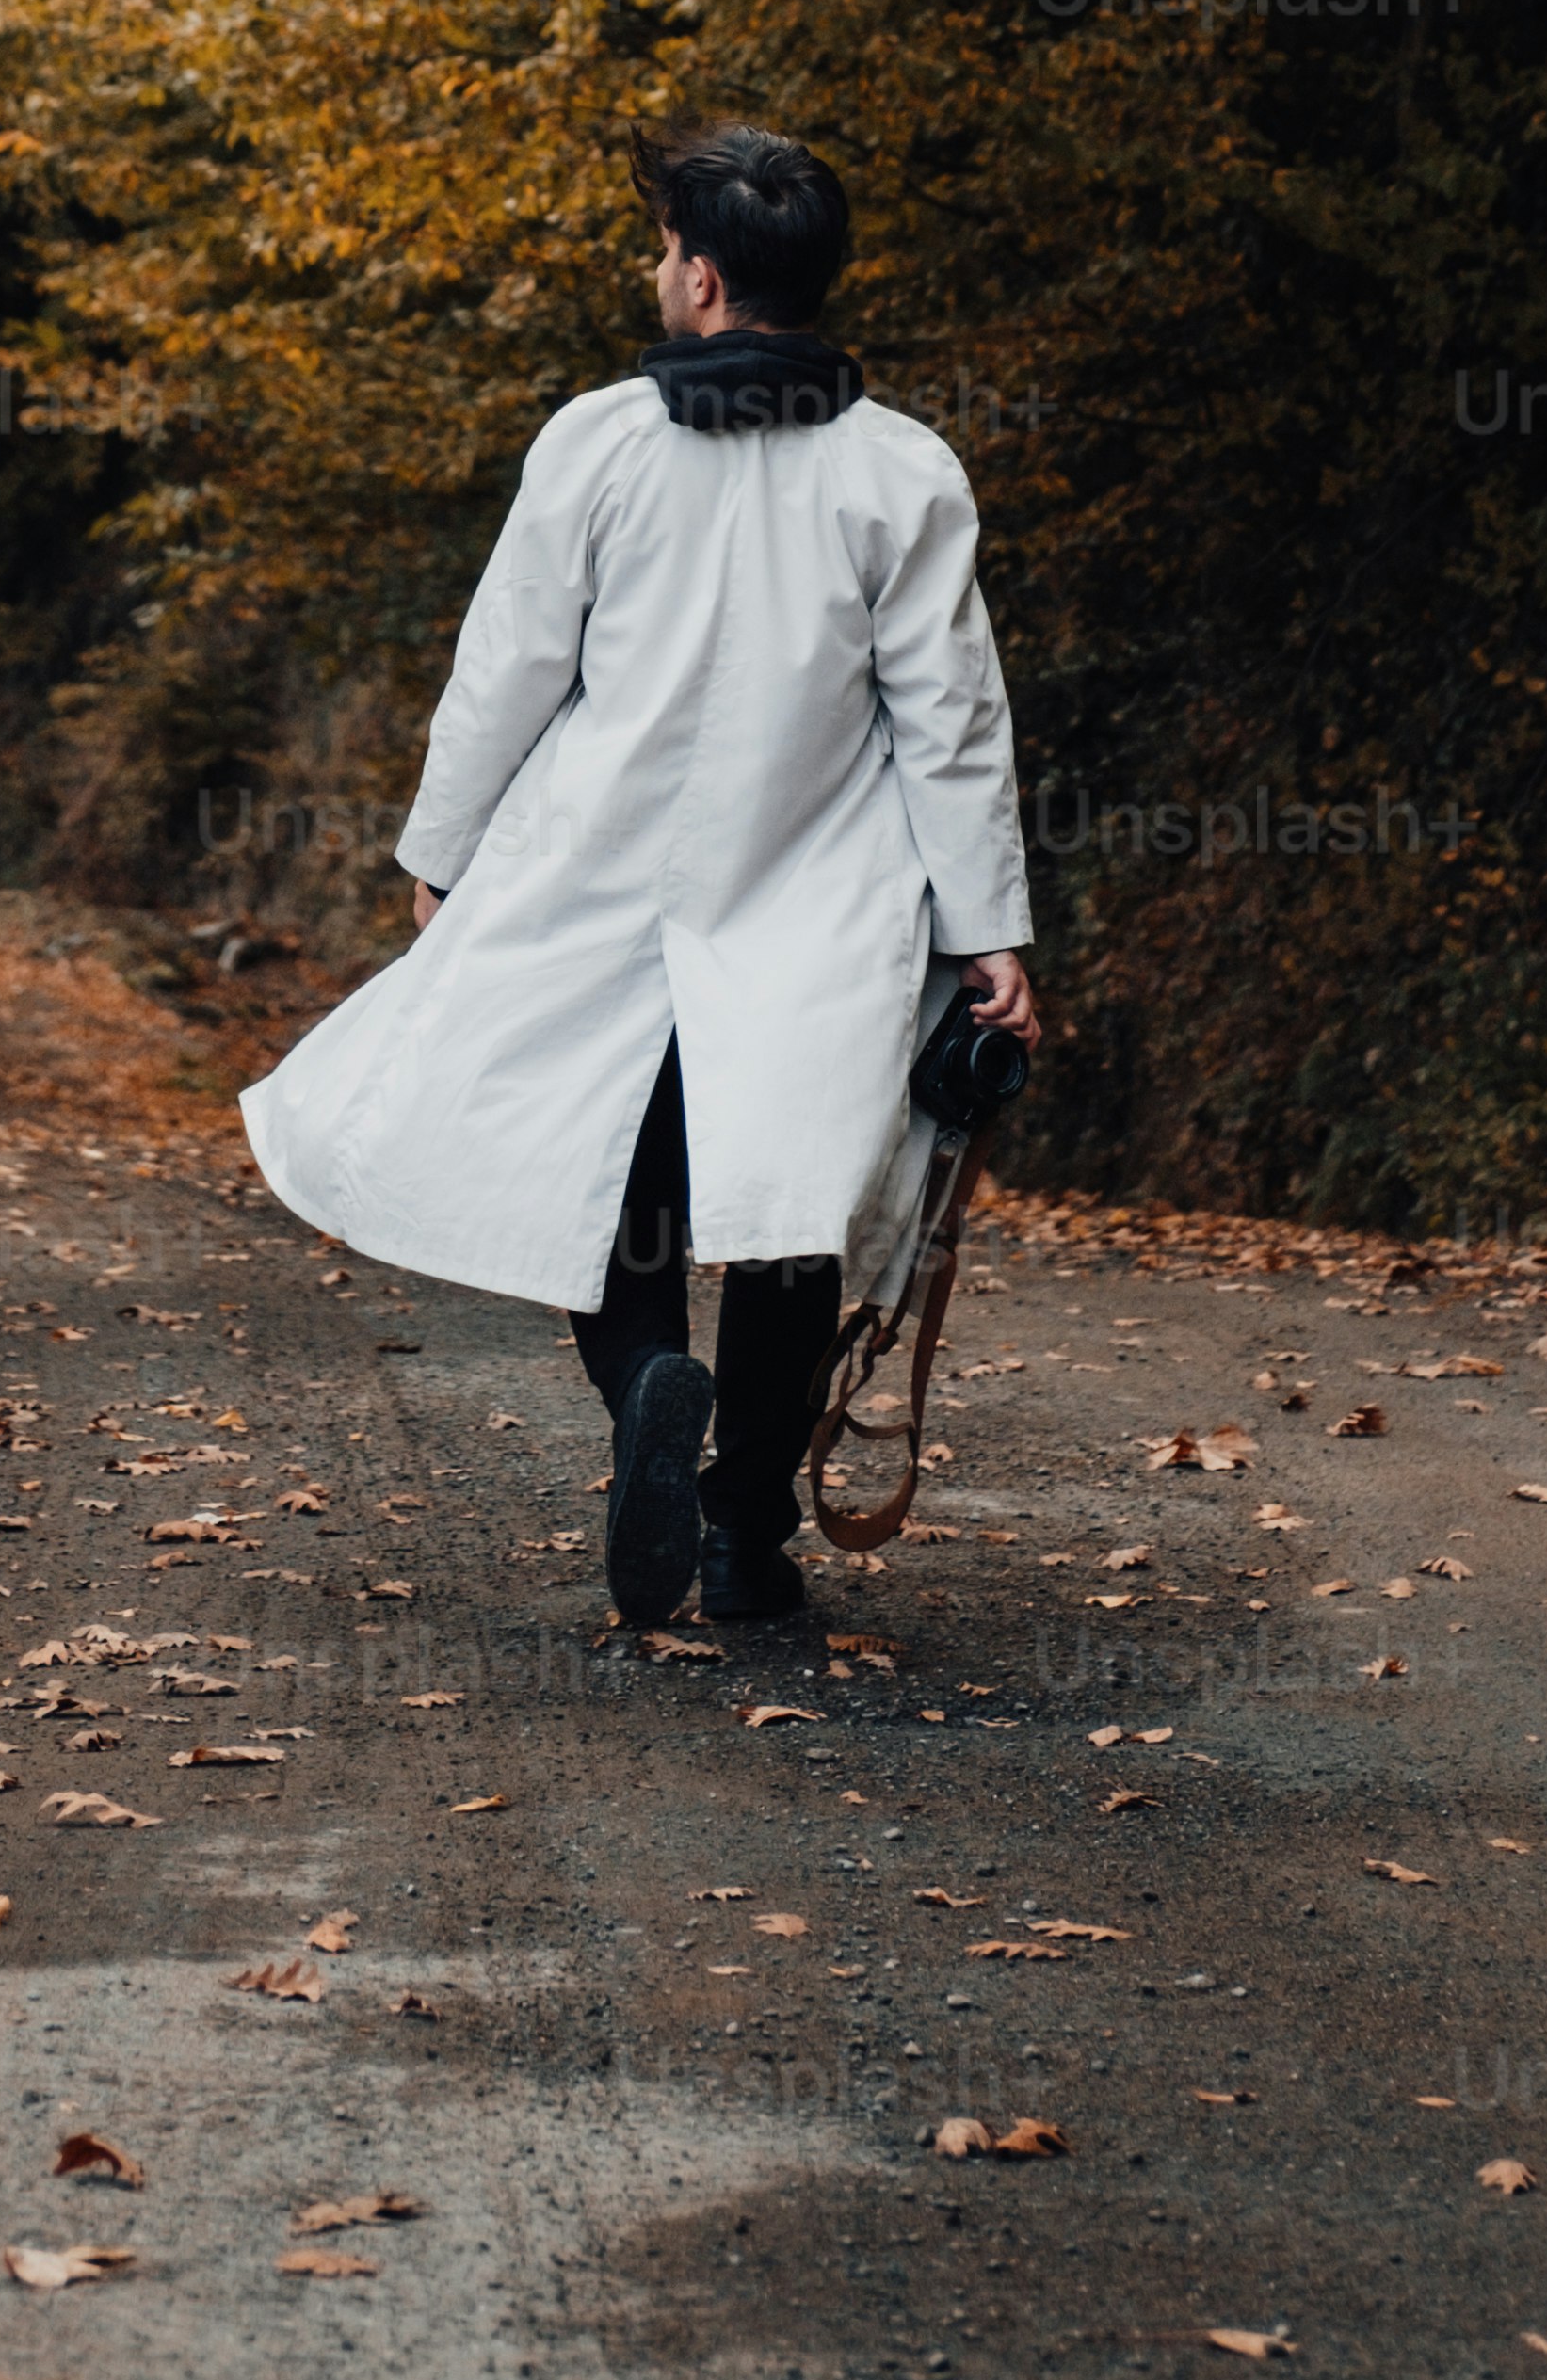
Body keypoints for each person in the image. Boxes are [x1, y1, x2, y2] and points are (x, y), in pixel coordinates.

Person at [240, 115, 1038, 1629]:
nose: (656, 268)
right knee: (790, 1217)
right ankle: (742, 1539)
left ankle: (650, 1389)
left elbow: (509, 666)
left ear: (707, 281)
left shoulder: (598, 441)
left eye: (666, 248)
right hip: (819, 914)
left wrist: (441, 854)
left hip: (596, 891)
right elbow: (952, 717)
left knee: (613, 1185)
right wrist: (990, 928)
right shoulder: (904, 471)